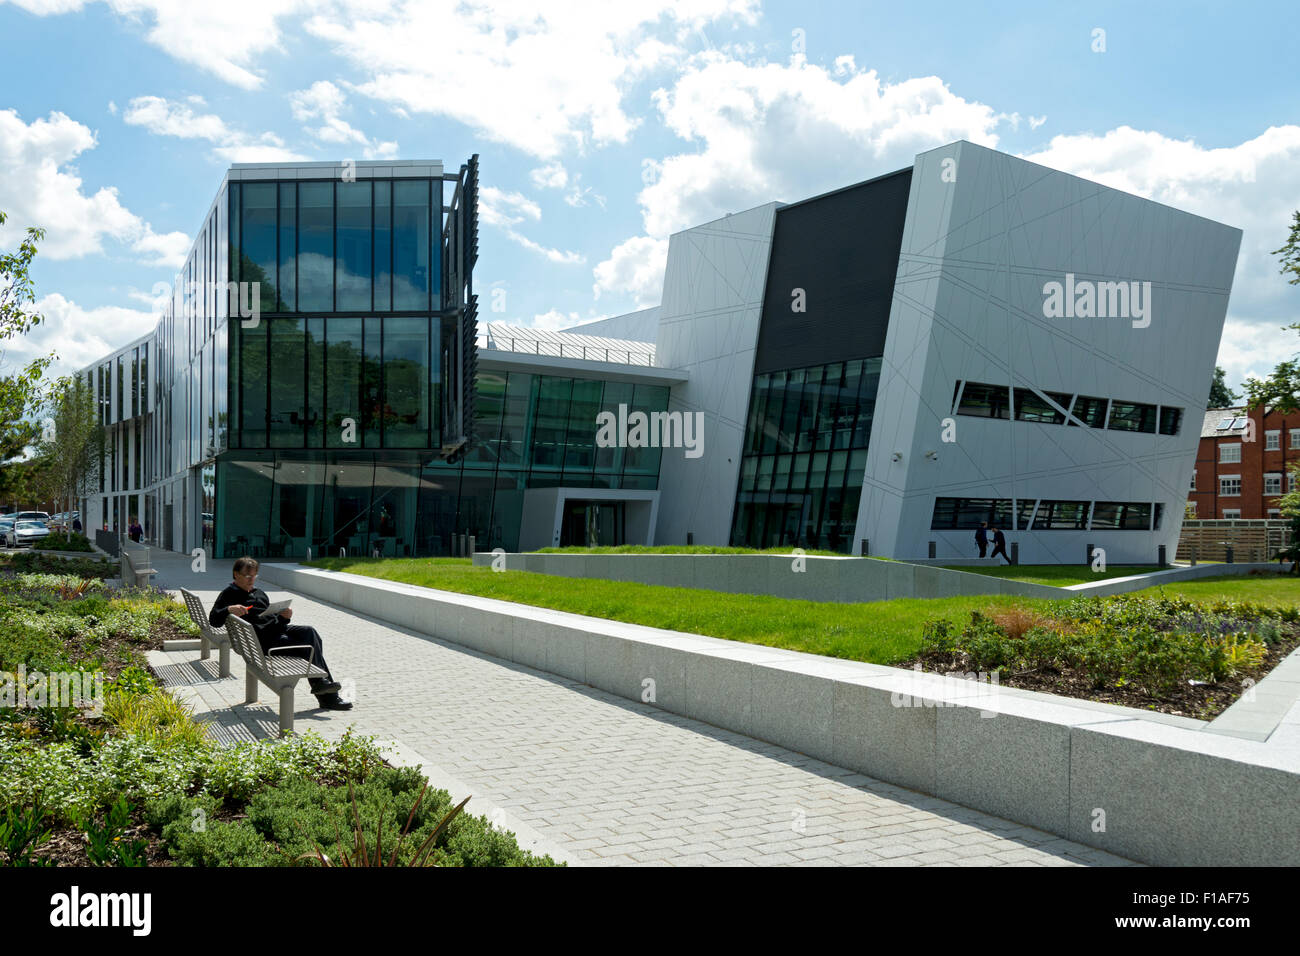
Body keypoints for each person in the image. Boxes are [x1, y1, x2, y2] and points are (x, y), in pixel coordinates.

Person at [209, 556, 352, 710]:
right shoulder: (229, 594)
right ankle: (327, 695)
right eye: (247, 576)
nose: (252, 580)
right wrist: (229, 609)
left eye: (254, 576)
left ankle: (322, 685)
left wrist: (284, 617)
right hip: (262, 643)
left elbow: (270, 621)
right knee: (308, 648)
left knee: (310, 632)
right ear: (236, 574)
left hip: (275, 633)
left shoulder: (259, 593)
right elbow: (214, 619)